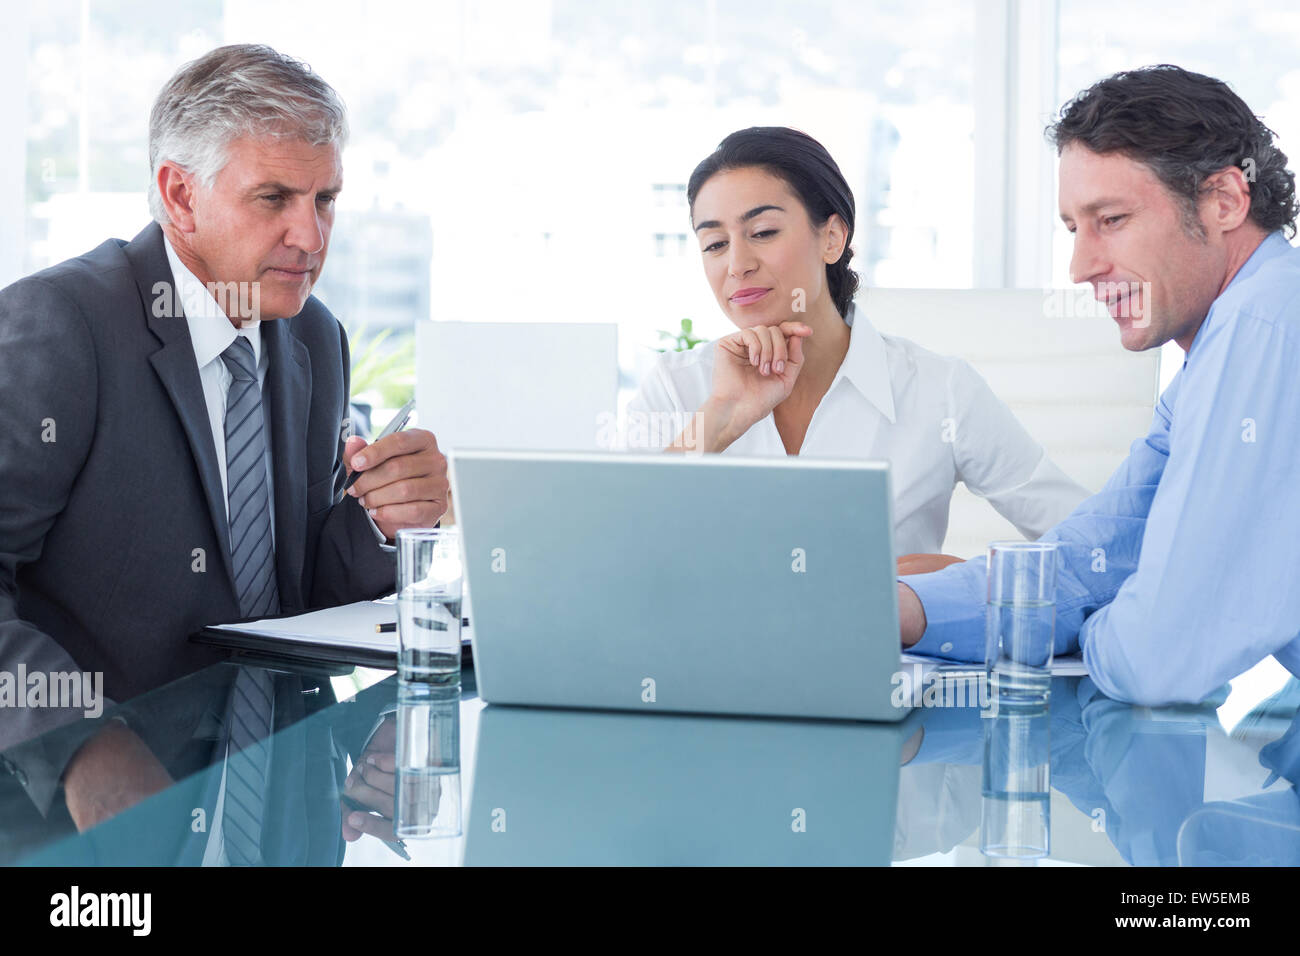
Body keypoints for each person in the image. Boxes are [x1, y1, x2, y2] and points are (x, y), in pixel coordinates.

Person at [0, 44, 449, 829]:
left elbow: (291, 600)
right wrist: (81, 741)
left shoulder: (312, 336)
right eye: (274, 198)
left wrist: (384, 518)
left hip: (272, 799)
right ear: (180, 194)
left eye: (326, 199)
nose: (310, 237)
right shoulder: (63, 325)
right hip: (81, 818)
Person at [898, 65, 1300, 706]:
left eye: (1110, 219)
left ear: (1225, 200)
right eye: (1072, 229)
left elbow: (1158, 658)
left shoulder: (1266, 324)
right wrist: (906, 609)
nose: (1082, 267)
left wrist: (1089, 626)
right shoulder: (1222, 349)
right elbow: (1092, 560)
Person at [628, 126, 1090, 557]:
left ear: (831, 238)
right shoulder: (675, 388)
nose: (737, 264)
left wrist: (952, 586)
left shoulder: (939, 390)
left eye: (763, 232)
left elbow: (1091, 545)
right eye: (714, 244)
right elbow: (613, 552)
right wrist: (721, 418)